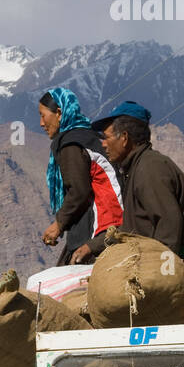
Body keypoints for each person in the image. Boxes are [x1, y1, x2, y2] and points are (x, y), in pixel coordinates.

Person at [71, 101, 184, 263]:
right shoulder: (136, 169)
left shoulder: (150, 169)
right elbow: (132, 228)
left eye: (106, 137)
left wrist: (161, 272)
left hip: (180, 261)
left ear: (124, 138)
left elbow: (168, 225)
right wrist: (92, 246)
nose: (103, 144)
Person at [38, 88, 122, 263]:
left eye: (43, 115)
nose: (41, 123)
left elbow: (79, 191)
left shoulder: (71, 144)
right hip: (114, 219)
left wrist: (58, 225)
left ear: (59, 113)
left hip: (100, 225)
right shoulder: (89, 135)